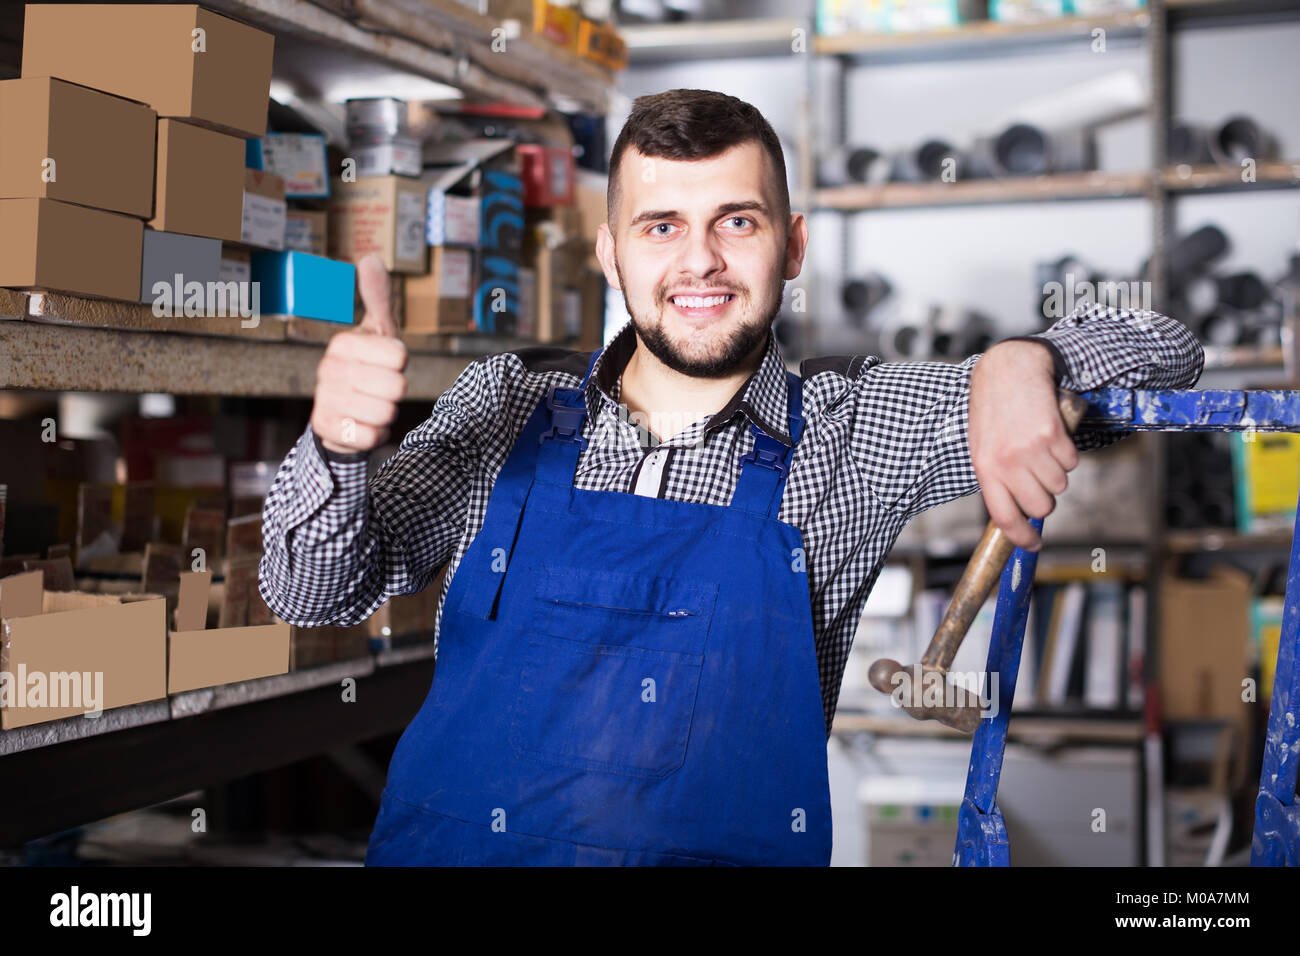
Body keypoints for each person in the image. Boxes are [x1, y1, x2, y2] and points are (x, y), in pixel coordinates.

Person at [258, 89, 1203, 866]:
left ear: (791, 247)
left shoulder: (853, 437)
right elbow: (312, 591)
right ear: (611, 252)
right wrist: (336, 446)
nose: (699, 259)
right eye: (660, 225)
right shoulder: (504, 405)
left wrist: (1022, 360)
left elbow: (1171, 354)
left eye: (736, 221)